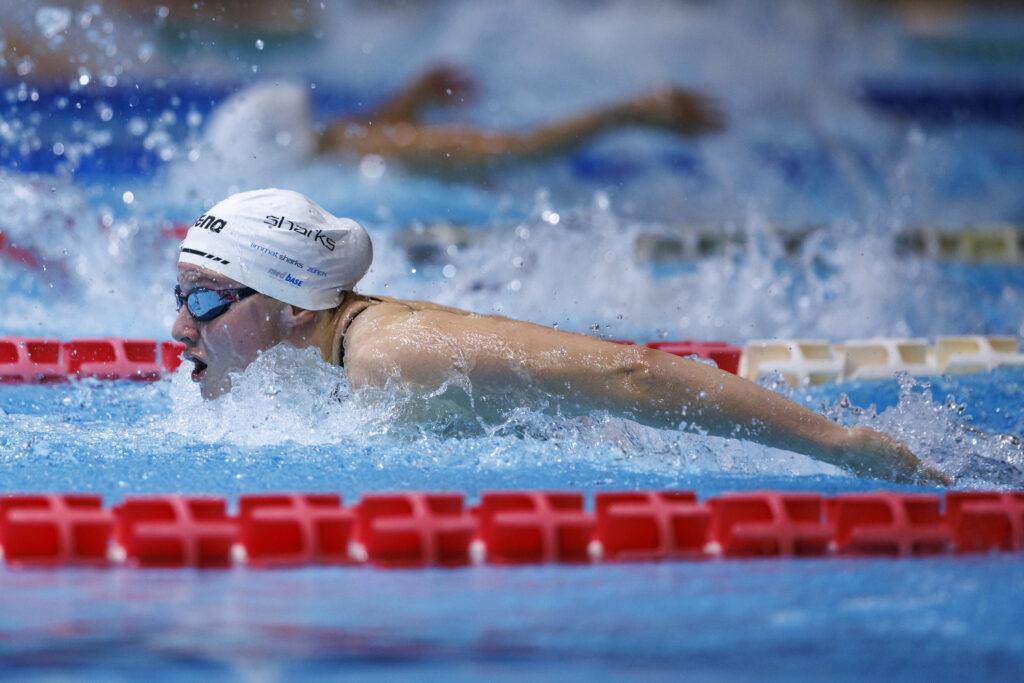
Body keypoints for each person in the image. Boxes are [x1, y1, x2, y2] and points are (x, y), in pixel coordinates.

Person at [172, 188, 950, 486]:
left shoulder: (392, 354)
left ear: (297, 307)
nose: (181, 327)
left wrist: (840, 444)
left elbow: (629, 376)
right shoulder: (332, 355)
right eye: (179, 298)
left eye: (206, 300)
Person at [203, 66, 725, 175]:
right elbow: (522, 150)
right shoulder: (372, 148)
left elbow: (373, 131)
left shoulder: (338, 150)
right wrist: (623, 112)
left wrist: (411, 94)